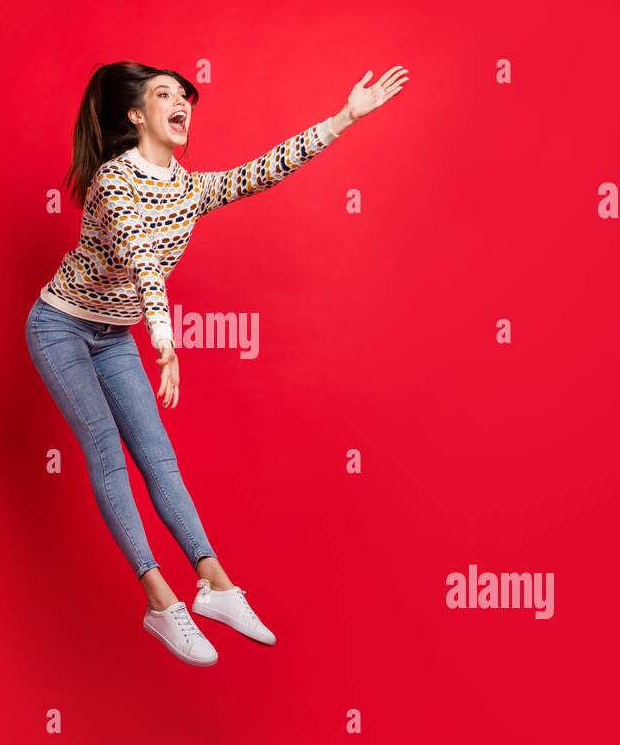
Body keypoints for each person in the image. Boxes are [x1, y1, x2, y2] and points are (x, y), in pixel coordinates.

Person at [25, 61, 408, 665]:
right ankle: (158, 600)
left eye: (185, 96)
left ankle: (216, 585)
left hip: (118, 332)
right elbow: (139, 253)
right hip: (62, 326)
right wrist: (165, 341)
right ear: (135, 115)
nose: (181, 103)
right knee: (107, 452)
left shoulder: (189, 187)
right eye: (164, 95)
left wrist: (342, 120)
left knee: (158, 456)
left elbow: (262, 172)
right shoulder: (112, 180)